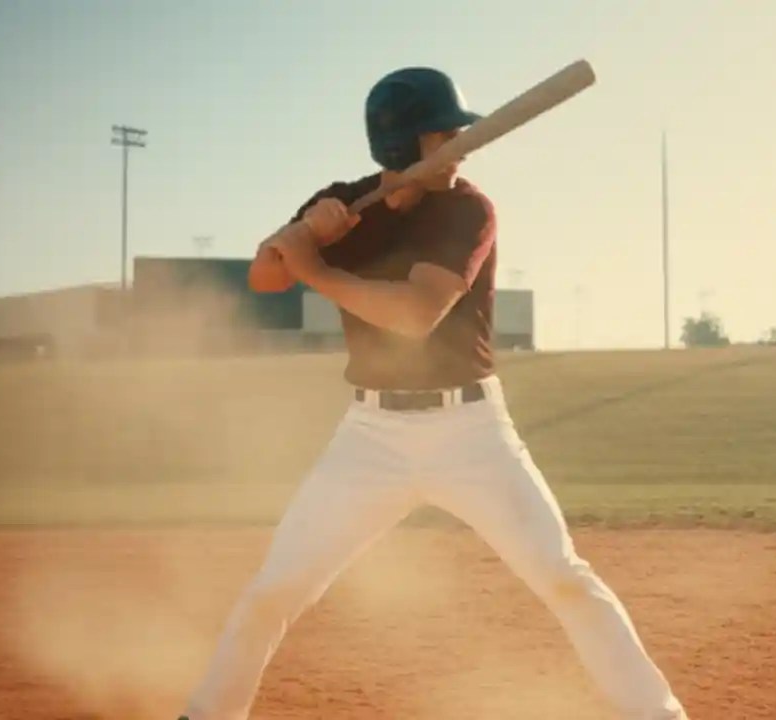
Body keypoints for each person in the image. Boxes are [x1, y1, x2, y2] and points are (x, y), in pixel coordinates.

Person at [177, 66, 689, 720]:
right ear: (398, 144)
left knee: (563, 577)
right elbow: (264, 276)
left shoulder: (468, 210)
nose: (463, 147)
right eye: (444, 135)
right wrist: (302, 236)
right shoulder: (343, 200)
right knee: (274, 590)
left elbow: (415, 314)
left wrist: (317, 268)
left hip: (471, 433)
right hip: (369, 438)